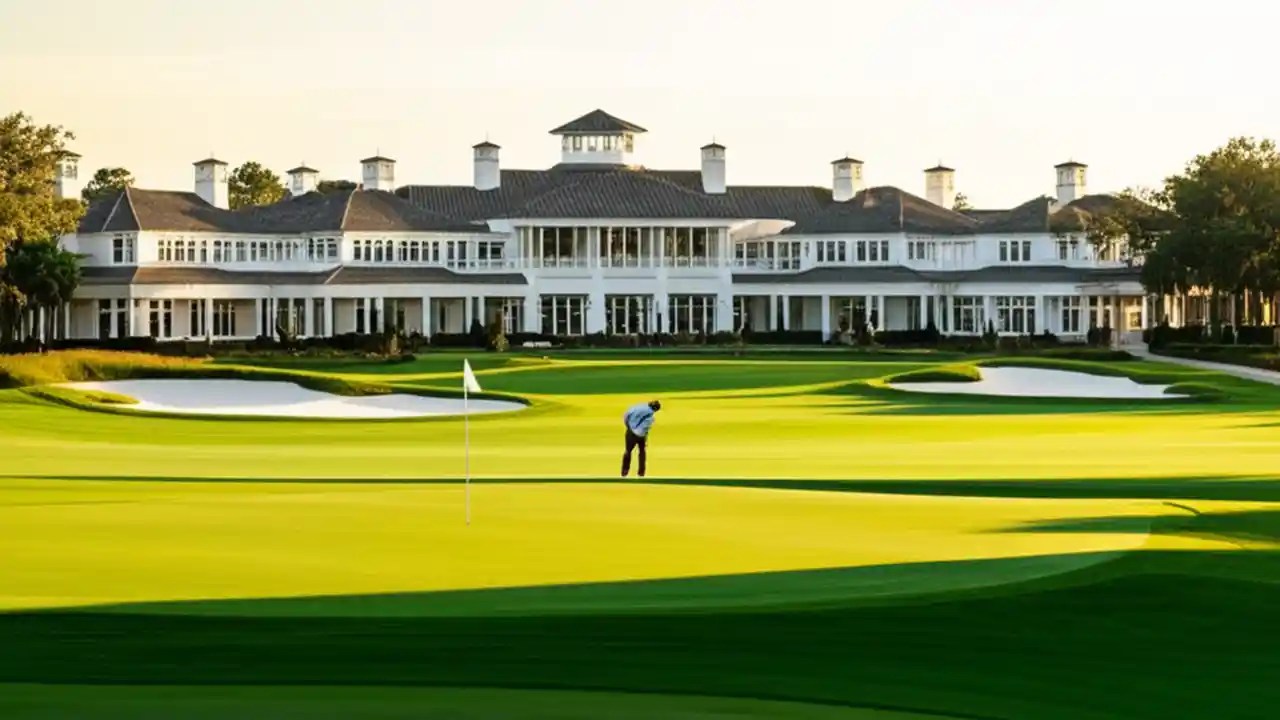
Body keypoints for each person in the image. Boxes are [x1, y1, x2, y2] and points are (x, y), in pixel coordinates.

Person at [621, 399, 661, 478]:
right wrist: (643, 435)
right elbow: (645, 427)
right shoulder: (650, 414)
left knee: (627, 452)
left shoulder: (638, 407)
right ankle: (641, 473)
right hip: (640, 435)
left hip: (630, 431)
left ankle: (624, 473)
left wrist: (629, 426)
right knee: (642, 453)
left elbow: (626, 415)